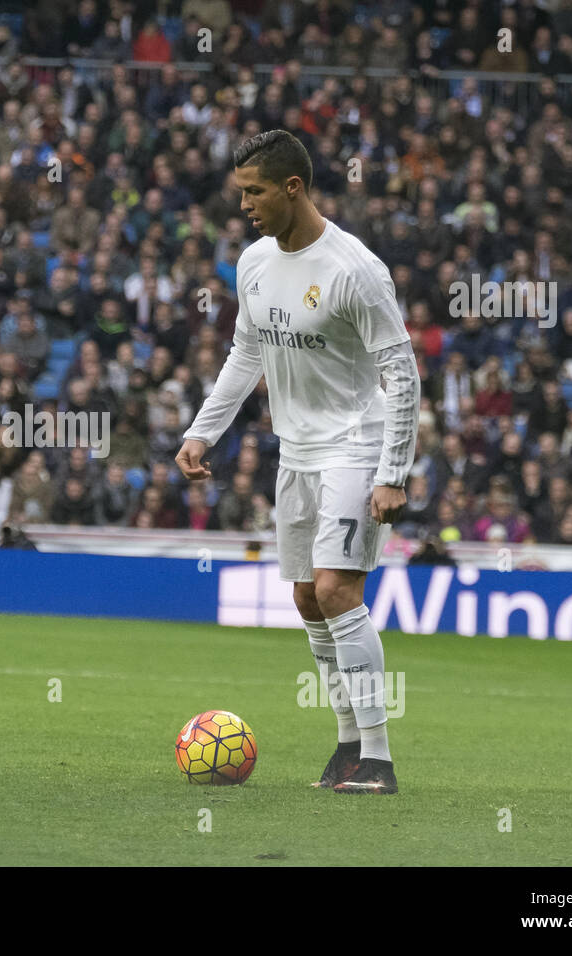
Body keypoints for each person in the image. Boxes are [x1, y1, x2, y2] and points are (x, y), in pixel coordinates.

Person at [176, 130, 420, 795]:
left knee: (340, 589)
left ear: (292, 188)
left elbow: (401, 373)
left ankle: (378, 757)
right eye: (240, 192)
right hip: (297, 448)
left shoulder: (355, 270)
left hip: (356, 443)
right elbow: (245, 354)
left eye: (255, 192)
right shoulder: (253, 262)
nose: (245, 204)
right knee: (309, 596)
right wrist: (203, 432)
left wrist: (394, 471)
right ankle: (346, 748)